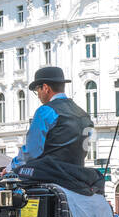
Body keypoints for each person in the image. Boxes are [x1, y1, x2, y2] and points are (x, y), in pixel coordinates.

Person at [10, 66, 104, 195]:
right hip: (77, 174)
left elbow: (32, 151)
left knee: (9, 181)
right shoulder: (84, 114)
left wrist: (11, 167)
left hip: (51, 172)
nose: (38, 95)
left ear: (46, 88)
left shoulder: (46, 111)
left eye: (38, 90)